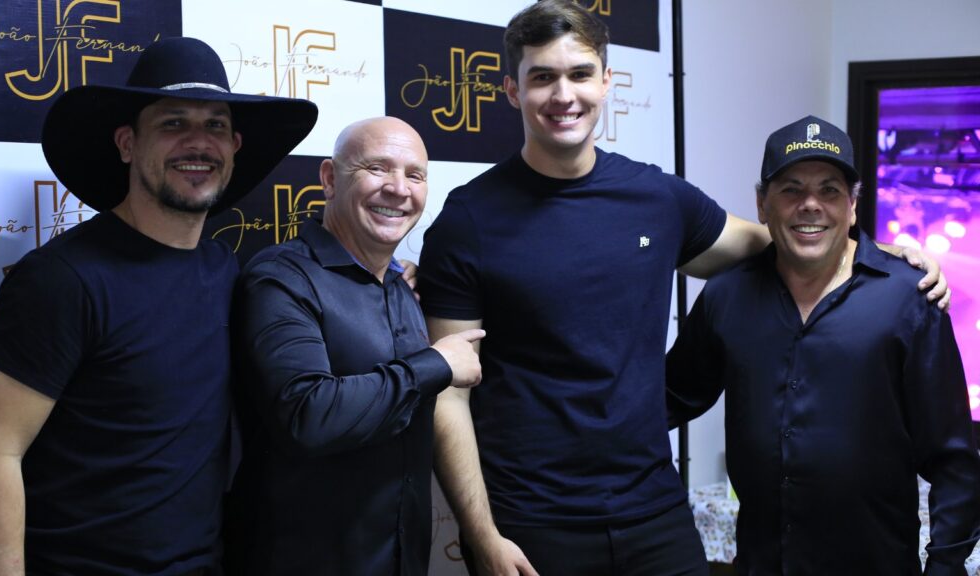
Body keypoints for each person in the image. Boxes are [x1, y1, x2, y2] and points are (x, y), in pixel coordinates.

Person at [416, 2, 948, 575]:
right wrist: (482, 535)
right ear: (513, 91)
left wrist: (873, 251)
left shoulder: (659, 199)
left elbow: (771, 238)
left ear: (606, 82)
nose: (563, 94)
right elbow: (450, 394)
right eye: (542, 76)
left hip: (654, 512)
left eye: (579, 74)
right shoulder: (468, 220)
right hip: (533, 521)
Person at [0, 37, 317, 575]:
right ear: (127, 143)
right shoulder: (61, 279)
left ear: (235, 145)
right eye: (174, 123)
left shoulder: (225, 269)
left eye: (215, 126)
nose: (198, 143)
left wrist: (390, 280)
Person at [666, 115, 980, 575]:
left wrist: (946, 566)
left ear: (852, 206)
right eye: (791, 190)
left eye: (829, 190)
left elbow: (954, 460)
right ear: (762, 203)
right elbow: (666, 400)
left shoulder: (908, 299)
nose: (810, 205)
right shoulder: (726, 296)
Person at [228, 116, 485, 575]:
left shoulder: (403, 287)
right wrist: (436, 365)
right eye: (378, 168)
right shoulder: (281, 278)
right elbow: (308, 414)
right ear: (329, 178)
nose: (398, 188)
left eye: (415, 175)